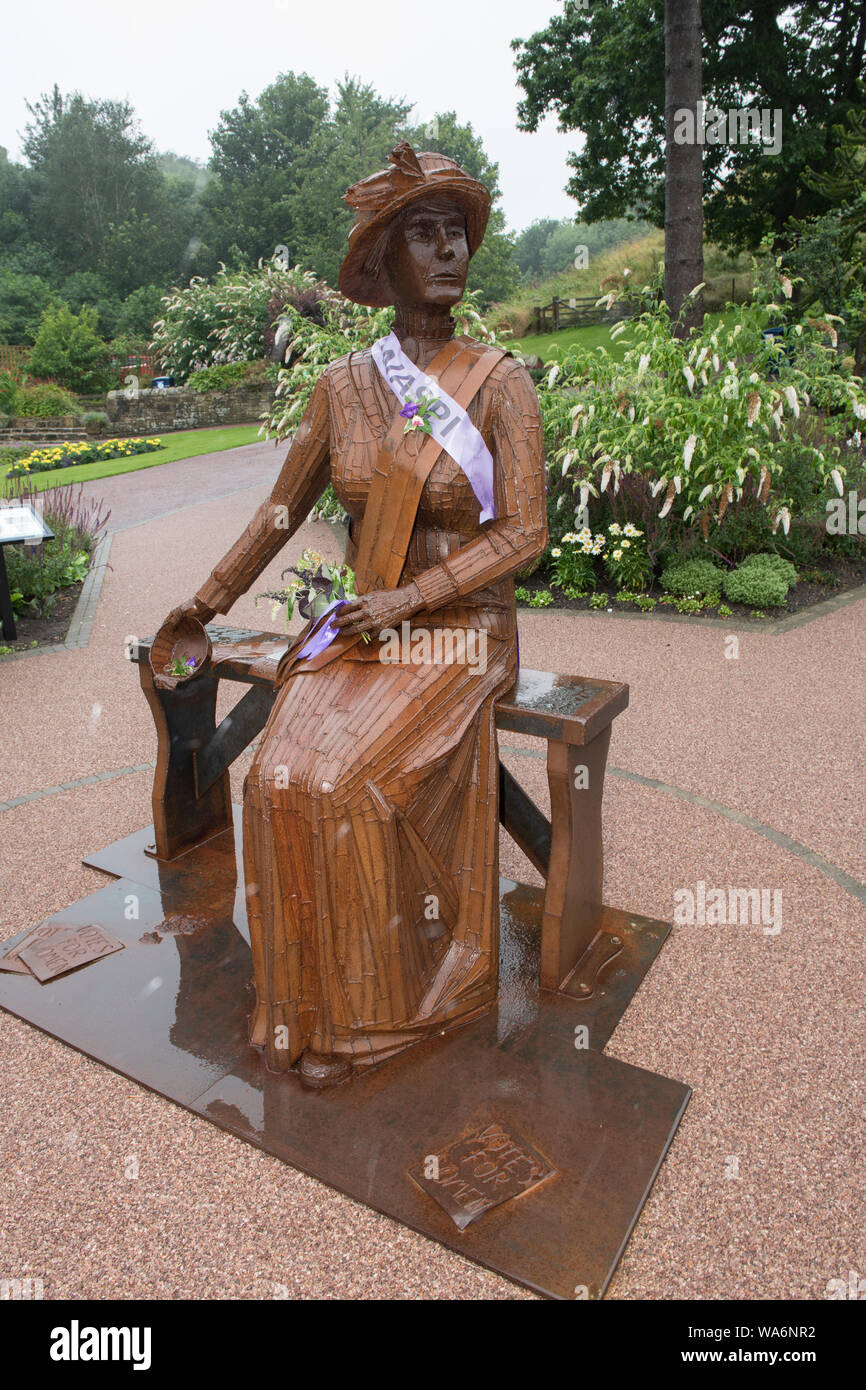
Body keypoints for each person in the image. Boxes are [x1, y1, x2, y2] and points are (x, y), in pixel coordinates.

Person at [161, 142, 547, 1087]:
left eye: (457, 232)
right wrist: (201, 605)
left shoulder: (499, 382)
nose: (449, 250)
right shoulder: (342, 386)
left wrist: (412, 598)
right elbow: (281, 512)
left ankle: (384, 1010)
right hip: (368, 629)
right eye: (425, 233)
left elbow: (527, 533)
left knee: (344, 786)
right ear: (382, 262)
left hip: (461, 631)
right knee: (277, 777)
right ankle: (302, 1010)